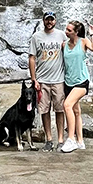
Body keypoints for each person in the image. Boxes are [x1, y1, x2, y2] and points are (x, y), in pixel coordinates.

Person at [29, 10, 66, 151]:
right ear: (43, 20)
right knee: (44, 111)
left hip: (59, 80)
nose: (49, 22)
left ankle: (61, 140)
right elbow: (32, 57)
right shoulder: (36, 37)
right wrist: (34, 79)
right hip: (42, 80)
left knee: (59, 109)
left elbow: (70, 52)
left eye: (52, 19)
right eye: (47, 19)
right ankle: (49, 140)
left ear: (55, 21)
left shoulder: (62, 35)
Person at [60, 20, 93, 153]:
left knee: (67, 105)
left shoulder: (83, 41)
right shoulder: (64, 45)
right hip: (68, 82)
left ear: (76, 32)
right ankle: (80, 141)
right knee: (76, 111)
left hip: (81, 81)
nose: (66, 31)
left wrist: (92, 34)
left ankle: (71, 139)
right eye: (66, 29)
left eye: (69, 30)